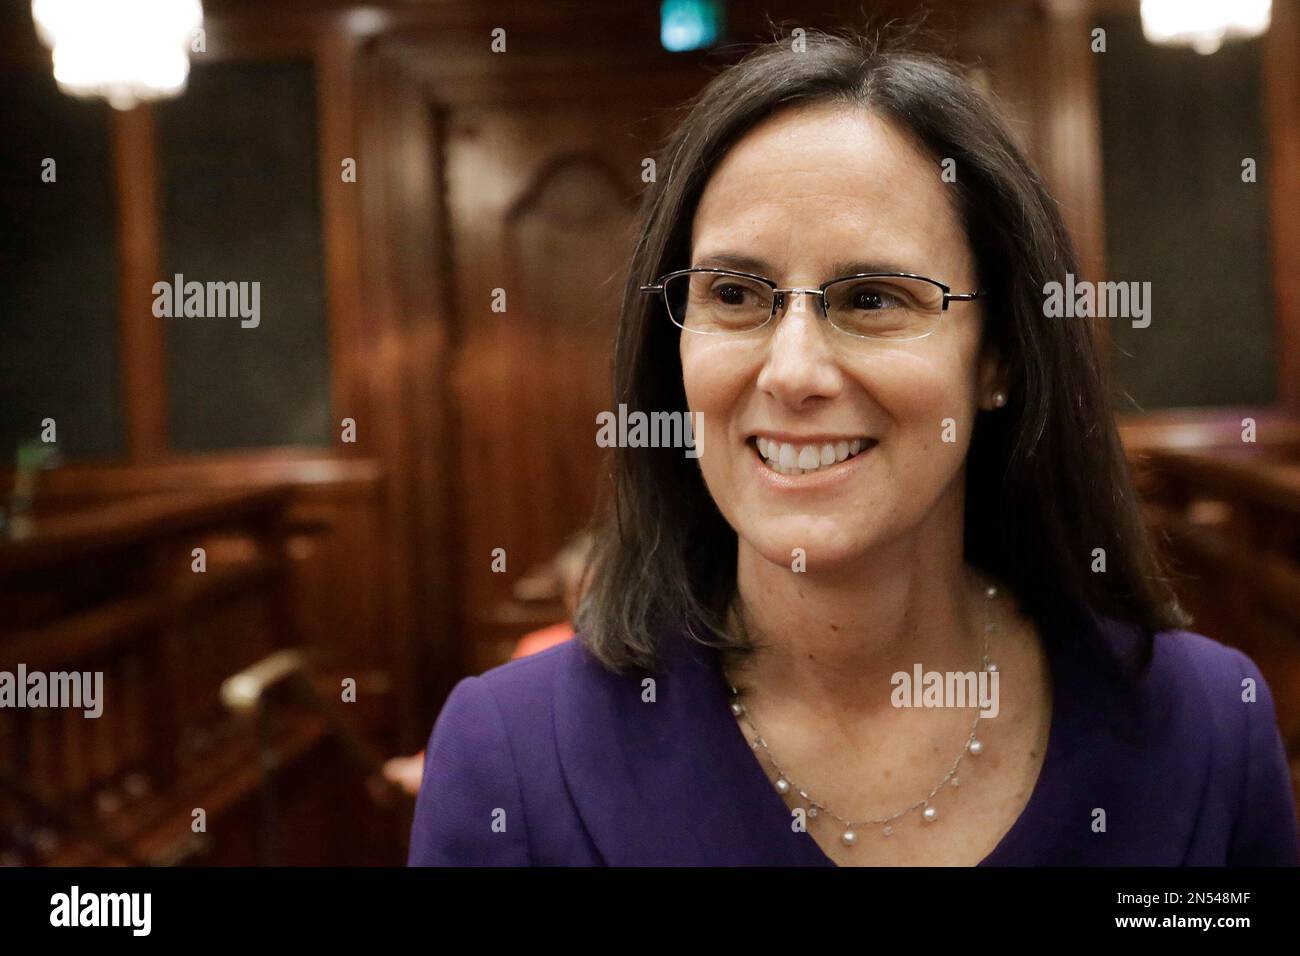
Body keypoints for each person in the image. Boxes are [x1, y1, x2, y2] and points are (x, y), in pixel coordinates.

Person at [409, 28, 1299, 866]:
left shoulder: (1209, 729)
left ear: (999, 360)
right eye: (736, 293)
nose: (793, 371)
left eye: (873, 298)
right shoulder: (508, 758)